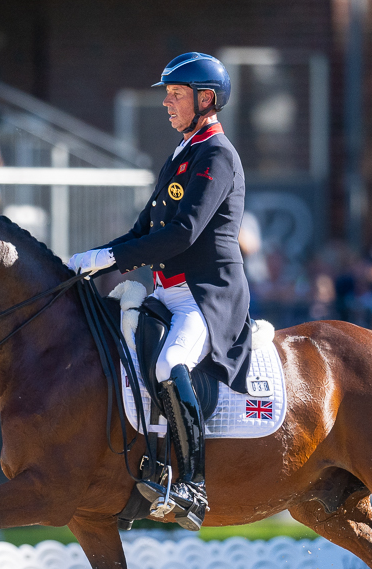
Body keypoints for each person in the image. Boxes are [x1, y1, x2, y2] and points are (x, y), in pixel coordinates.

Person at [64, 52, 248, 530]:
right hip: (168, 292)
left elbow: (183, 233)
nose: (167, 103)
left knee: (170, 364)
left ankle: (192, 486)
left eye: (176, 94)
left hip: (208, 297)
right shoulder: (182, 153)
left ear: (205, 99)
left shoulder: (217, 155)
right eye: (166, 94)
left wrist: (111, 260)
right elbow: (144, 229)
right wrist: (91, 258)